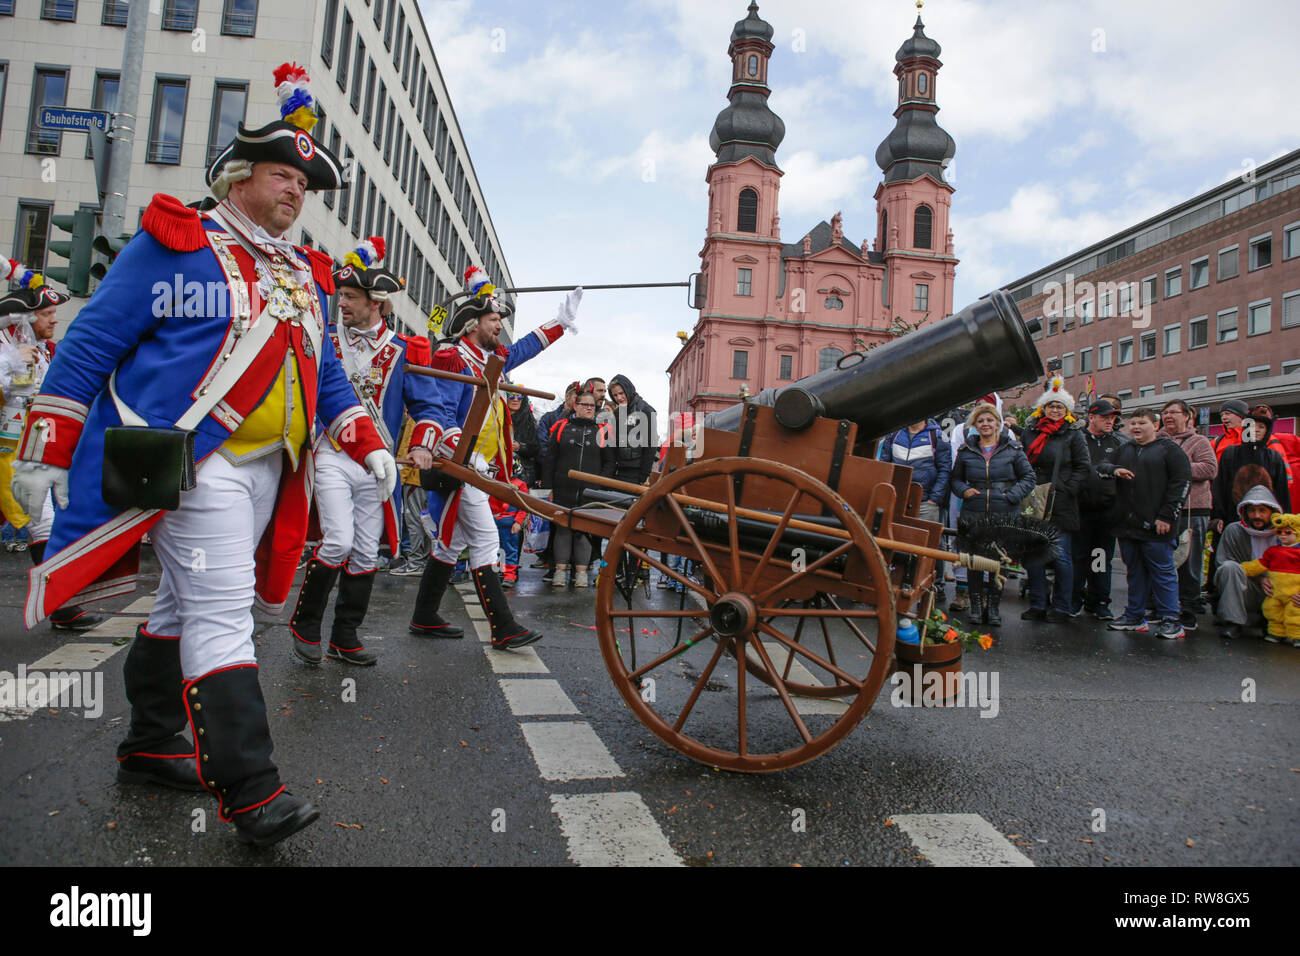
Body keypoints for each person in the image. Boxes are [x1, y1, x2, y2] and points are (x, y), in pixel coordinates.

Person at [9, 63, 392, 846]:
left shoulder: (304, 273)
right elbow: (88, 346)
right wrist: (47, 442)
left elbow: (320, 376)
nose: (296, 191)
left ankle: (150, 744)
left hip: (269, 469)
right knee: (221, 614)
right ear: (240, 177)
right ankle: (252, 792)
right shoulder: (176, 240)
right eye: (283, 175)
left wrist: (361, 433)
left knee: (182, 607)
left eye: (305, 183)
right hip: (195, 460)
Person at [287, 238, 440, 667]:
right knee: (336, 540)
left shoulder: (404, 350)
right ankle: (305, 622)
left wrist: (423, 447)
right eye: (342, 297)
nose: (343, 305)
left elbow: (428, 407)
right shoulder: (324, 338)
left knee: (366, 548)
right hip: (332, 451)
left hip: (381, 462)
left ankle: (345, 635)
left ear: (377, 303)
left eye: (351, 298)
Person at [408, 268, 580, 648]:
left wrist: (559, 324)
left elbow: (522, 350)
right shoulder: (451, 356)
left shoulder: (492, 357)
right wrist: (461, 453)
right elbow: (441, 408)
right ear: (472, 324)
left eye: (501, 319)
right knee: (486, 541)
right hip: (458, 462)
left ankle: (423, 616)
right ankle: (503, 627)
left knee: (449, 545)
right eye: (494, 320)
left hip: (478, 466)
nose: (500, 326)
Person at [0, 266, 105, 629]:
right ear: (25, 318)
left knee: (43, 520)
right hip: (6, 450)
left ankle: (60, 604)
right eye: (46, 314)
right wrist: (12, 364)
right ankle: (60, 605)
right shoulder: (7, 348)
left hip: (26, 450)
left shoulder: (46, 351)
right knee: (41, 520)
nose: (54, 320)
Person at [1099, 409, 1192, 639]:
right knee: (1134, 572)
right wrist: (1114, 470)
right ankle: (1134, 616)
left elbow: (1181, 484)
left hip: (1158, 525)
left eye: (1142, 423)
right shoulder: (1126, 449)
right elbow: (1101, 466)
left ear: (1155, 424)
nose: (1136, 427)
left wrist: (1167, 516)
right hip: (1128, 525)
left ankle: (1171, 619)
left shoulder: (1170, 450)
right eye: (1133, 424)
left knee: (1163, 572)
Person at [948, 402, 1036, 625]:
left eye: (990, 420)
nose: (985, 424)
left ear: (998, 423)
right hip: (974, 511)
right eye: (981, 421)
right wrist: (964, 491)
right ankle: (976, 607)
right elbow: (956, 479)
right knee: (975, 562)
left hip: (1004, 511)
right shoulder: (966, 450)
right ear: (975, 425)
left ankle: (994, 608)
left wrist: (1011, 496)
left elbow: (1028, 478)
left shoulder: (1013, 449)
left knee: (999, 562)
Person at [1019, 378, 1090, 623]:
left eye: (1060, 407)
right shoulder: (1031, 432)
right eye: (1051, 406)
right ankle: (1038, 604)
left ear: (1067, 410)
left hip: (1061, 501)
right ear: (1043, 408)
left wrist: (1069, 488)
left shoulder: (1073, 434)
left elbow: (1083, 467)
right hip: (1035, 499)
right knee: (1034, 557)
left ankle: (1061, 607)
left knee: (1061, 557)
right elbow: (1022, 462)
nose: (1056, 410)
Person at [1159, 399, 1218, 630]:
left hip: (1193, 510)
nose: (1168, 416)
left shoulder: (1199, 441)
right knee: (1165, 560)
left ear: (1187, 416)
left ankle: (1189, 608)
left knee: (1190, 561)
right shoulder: (1159, 441)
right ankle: (1163, 605)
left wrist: (1177, 467)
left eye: (1173, 412)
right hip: (1163, 510)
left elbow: (1209, 469)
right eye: (1165, 413)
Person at [542, 389, 605, 587]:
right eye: (584, 405)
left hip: (590, 491)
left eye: (592, 406)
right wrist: (548, 487)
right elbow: (549, 460)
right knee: (563, 529)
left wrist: (601, 486)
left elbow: (609, 462)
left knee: (583, 531)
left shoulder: (602, 431)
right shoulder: (561, 428)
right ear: (576, 406)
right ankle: (560, 571)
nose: (588, 408)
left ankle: (581, 574)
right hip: (563, 488)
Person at [1072, 399, 1125, 620]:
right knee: (1078, 557)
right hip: (1079, 510)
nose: (1110, 421)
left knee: (1100, 557)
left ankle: (1098, 601)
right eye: (1105, 417)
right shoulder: (1076, 439)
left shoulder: (1119, 443)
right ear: (1091, 417)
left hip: (1106, 513)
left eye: (1112, 418)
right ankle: (1074, 599)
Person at [1213, 485, 1282, 640]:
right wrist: (1259, 578)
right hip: (1247, 588)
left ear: (1272, 512)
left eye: (1262, 511)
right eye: (1252, 511)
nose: (1256, 515)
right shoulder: (1234, 531)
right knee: (1229, 568)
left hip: (1279, 589)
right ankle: (1233, 622)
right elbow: (1223, 563)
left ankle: (1277, 625)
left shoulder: (1285, 533)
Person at [1240, 513, 1300, 645]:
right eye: (1279, 532)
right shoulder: (1273, 552)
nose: (1283, 535)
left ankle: (1297, 636)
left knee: (1295, 614)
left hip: (1294, 594)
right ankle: (1276, 633)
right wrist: (1241, 569)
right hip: (1275, 592)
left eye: (1288, 532)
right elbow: (1259, 564)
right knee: (1273, 611)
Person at [490, 466, 530, 589]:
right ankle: (495, 574)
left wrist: (518, 522)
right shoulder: (490, 481)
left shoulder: (520, 484)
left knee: (510, 550)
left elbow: (523, 505)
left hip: (509, 521)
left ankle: (509, 575)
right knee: (492, 550)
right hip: (492, 520)